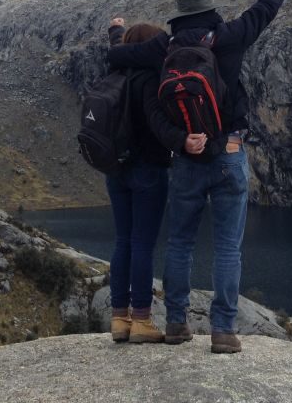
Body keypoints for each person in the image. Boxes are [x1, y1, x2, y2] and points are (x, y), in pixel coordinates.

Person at [108, 0, 292, 353]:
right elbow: (266, 8)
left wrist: (115, 32)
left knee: (180, 243)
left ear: (178, 16)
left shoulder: (162, 47)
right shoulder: (228, 36)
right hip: (229, 152)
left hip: (187, 156)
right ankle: (224, 331)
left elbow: (117, 55)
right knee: (228, 247)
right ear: (209, 12)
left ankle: (176, 324)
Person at [104, 21, 206, 343]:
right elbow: (157, 122)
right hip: (147, 169)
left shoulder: (114, 75)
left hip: (115, 169)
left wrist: (114, 32)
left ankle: (119, 319)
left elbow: (118, 49)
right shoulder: (149, 78)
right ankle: (142, 321)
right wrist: (181, 142)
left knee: (122, 241)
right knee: (142, 244)